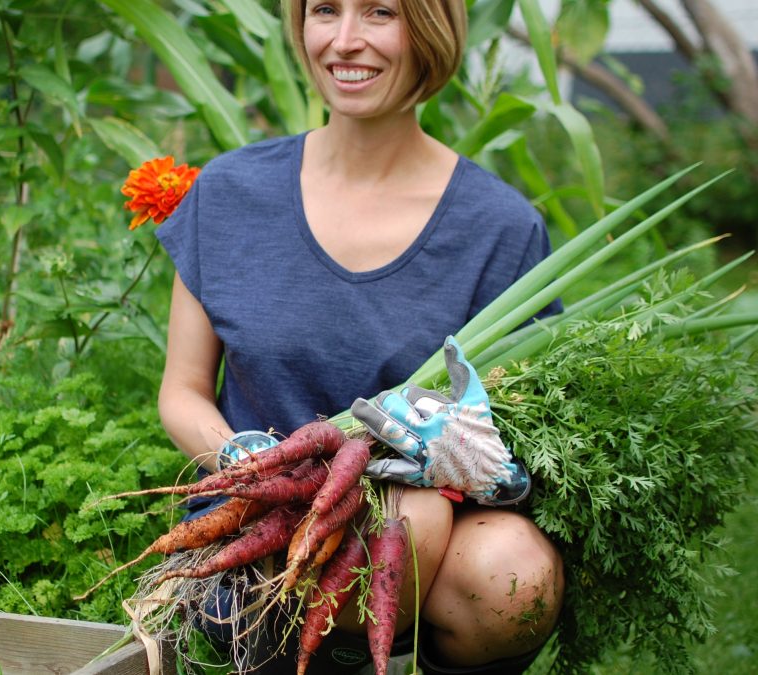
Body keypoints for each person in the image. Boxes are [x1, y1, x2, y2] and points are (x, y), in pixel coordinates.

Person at [153, 0, 565, 673]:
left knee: (512, 571)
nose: (345, 41)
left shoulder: (498, 228)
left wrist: (484, 461)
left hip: (423, 540)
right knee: (393, 528)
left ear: (430, 28)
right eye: (325, 10)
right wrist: (249, 462)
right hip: (262, 529)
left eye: (379, 12)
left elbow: (533, 429)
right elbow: (182, 389)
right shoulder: (230, 192)